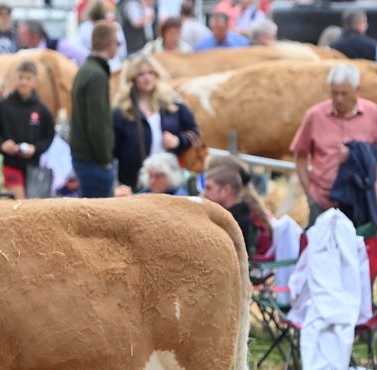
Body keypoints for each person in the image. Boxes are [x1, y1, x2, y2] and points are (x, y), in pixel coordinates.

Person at [290, 63, 377, 225]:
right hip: (322, 202)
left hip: (360, 203)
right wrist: (309, 193)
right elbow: (300, 155)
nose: (338, 99)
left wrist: (358, 153)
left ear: (356, 90)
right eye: (334, 93)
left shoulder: (373, 114)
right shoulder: (315, 116)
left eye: (344, 94)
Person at [111, 54, 198, 192]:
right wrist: (117, 185)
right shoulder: (122, 112)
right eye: (141, 74)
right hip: (135, 183)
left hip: (170, 182)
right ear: (132, 79)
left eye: (151, 73)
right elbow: (112, 152)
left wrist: (178, 141)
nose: (147, 78)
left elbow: (194, 133)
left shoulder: (172, 105)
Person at [0, 60, 56, 199]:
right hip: (10, 165)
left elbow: (49, 136)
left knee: (33, 207)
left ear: (35, 82)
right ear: (15, 79)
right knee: (21, 202)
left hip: (33, 168)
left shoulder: (42, 110)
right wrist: (2, 144)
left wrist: (35, 149)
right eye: (20, 77)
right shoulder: (3, 106)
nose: (23, 82)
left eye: (28, 78)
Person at [70, 20, 119, 198]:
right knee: (98, 220)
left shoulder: (86, 70)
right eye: (117, 43)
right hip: (93, 161)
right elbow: (97, 123)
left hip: (84, 158)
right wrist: (104, 159)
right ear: (111, 43)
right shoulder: (97, 75)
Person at [202, 163, 270, 257]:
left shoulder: (234, 222)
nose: (204, 193)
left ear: (226, 190)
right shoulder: (242, 215)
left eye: (208, 188)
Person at [328, 9, 377, 90]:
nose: (367, 26)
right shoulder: (374, 46)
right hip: (369, 95)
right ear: (359, 24)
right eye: (365, 23)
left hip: (340, 97)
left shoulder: (331, 47)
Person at [18, 18, 88, 66]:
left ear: (35, 36)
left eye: (23, 34)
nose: (20, 36)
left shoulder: (57, 45)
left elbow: (85, 55)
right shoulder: (24, 52)